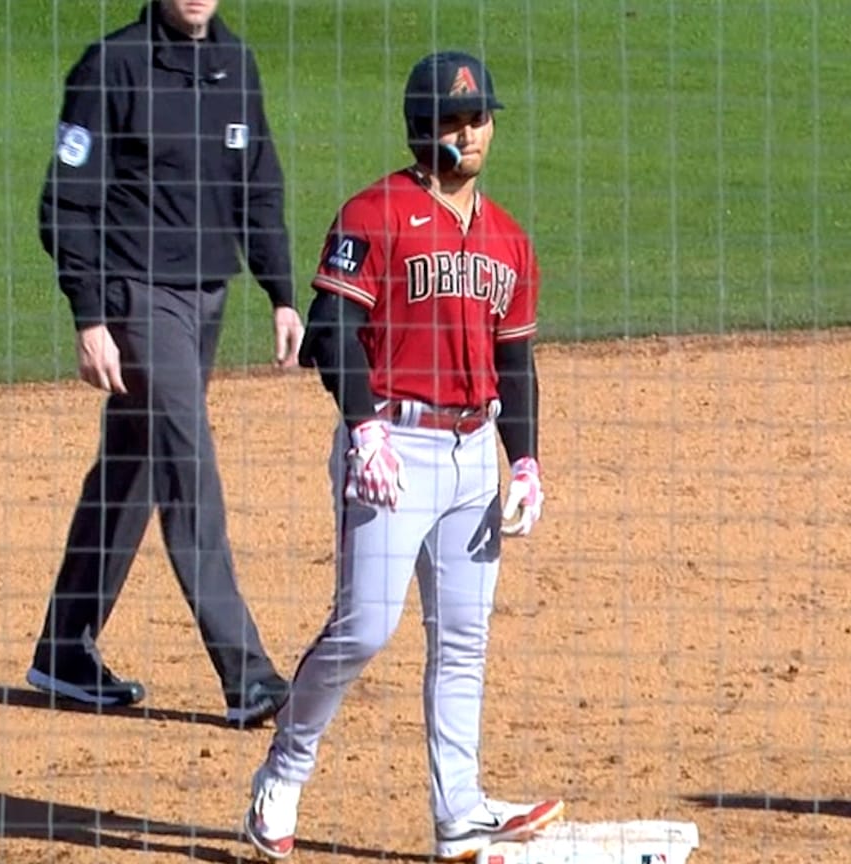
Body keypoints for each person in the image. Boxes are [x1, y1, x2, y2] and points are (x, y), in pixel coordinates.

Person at [241, 50, 561, 860]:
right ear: (422, 128)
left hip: (470, 460)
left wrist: (523, 460)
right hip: (391, 447)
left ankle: (459, 814)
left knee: (463, 639)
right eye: (454, 119)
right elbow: (330, 330)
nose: (470, 131)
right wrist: (364, 426)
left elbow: (514, 363)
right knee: (365, 626)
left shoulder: (508, 241)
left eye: (479, 116)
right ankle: (284, 770)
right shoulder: (374, 213)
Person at [28, 0, 302, 728]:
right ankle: (248, 677)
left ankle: (63, 650)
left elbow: (259, 186)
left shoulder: (234, 66)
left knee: (135, 466)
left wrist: (280, 292)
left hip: (209, 295)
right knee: (190, 468)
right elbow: (66, 200)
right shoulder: (111, 65)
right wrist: (90, 316)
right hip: (138, 299)